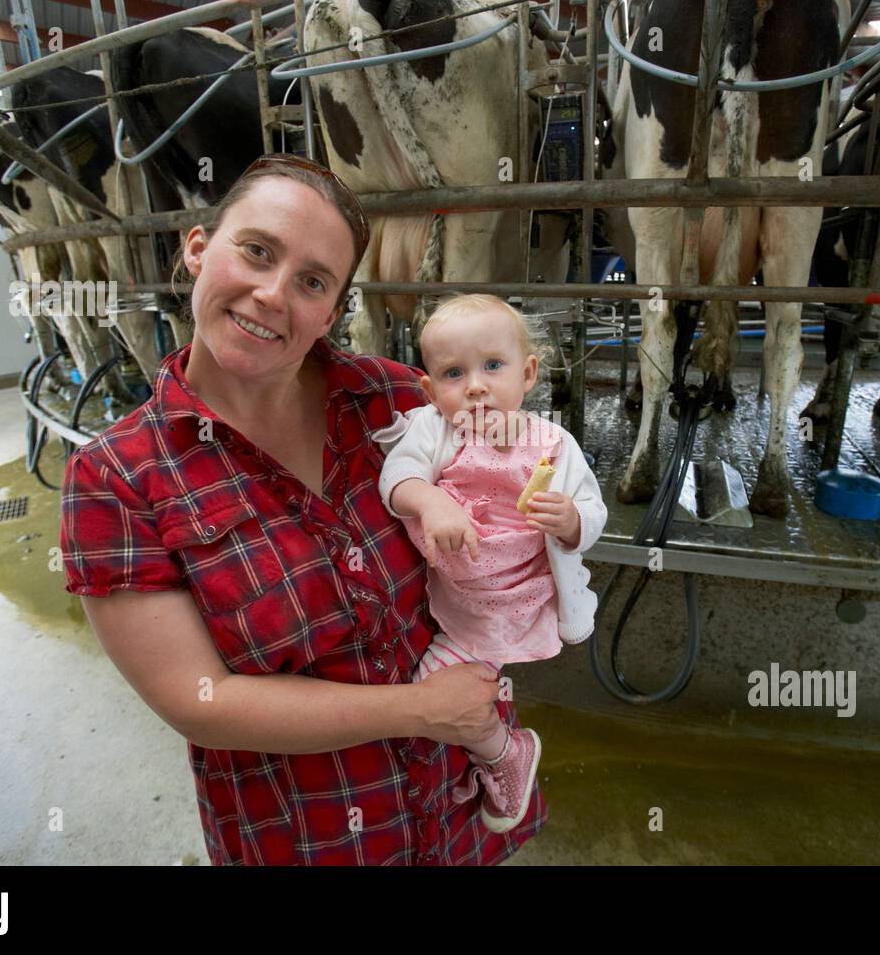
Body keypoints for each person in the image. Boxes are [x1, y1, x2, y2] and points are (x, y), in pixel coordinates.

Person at [58, 154, 545, 865]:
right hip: (309, 833)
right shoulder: (116, 479)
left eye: (313, 282)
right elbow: (200, 702)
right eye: (256, 251)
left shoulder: (398, 400)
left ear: (333, 310)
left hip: (459, 800)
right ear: (197, 248)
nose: (272, 295)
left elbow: (509, 483)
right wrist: (420, 711)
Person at [371, 294, 607, 834]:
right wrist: (430, 500)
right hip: (458, 598)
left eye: (493, 366)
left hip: (516, 598)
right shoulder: (435, 428)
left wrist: (571, 519)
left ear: (527, 375)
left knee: (435, 686)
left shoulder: (553, 444)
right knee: (443, 685)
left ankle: (503, 751)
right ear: (430, 390)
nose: (475, 385)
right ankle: (494, 738)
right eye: (454, 373)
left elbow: (594, 513)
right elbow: (397, 474)